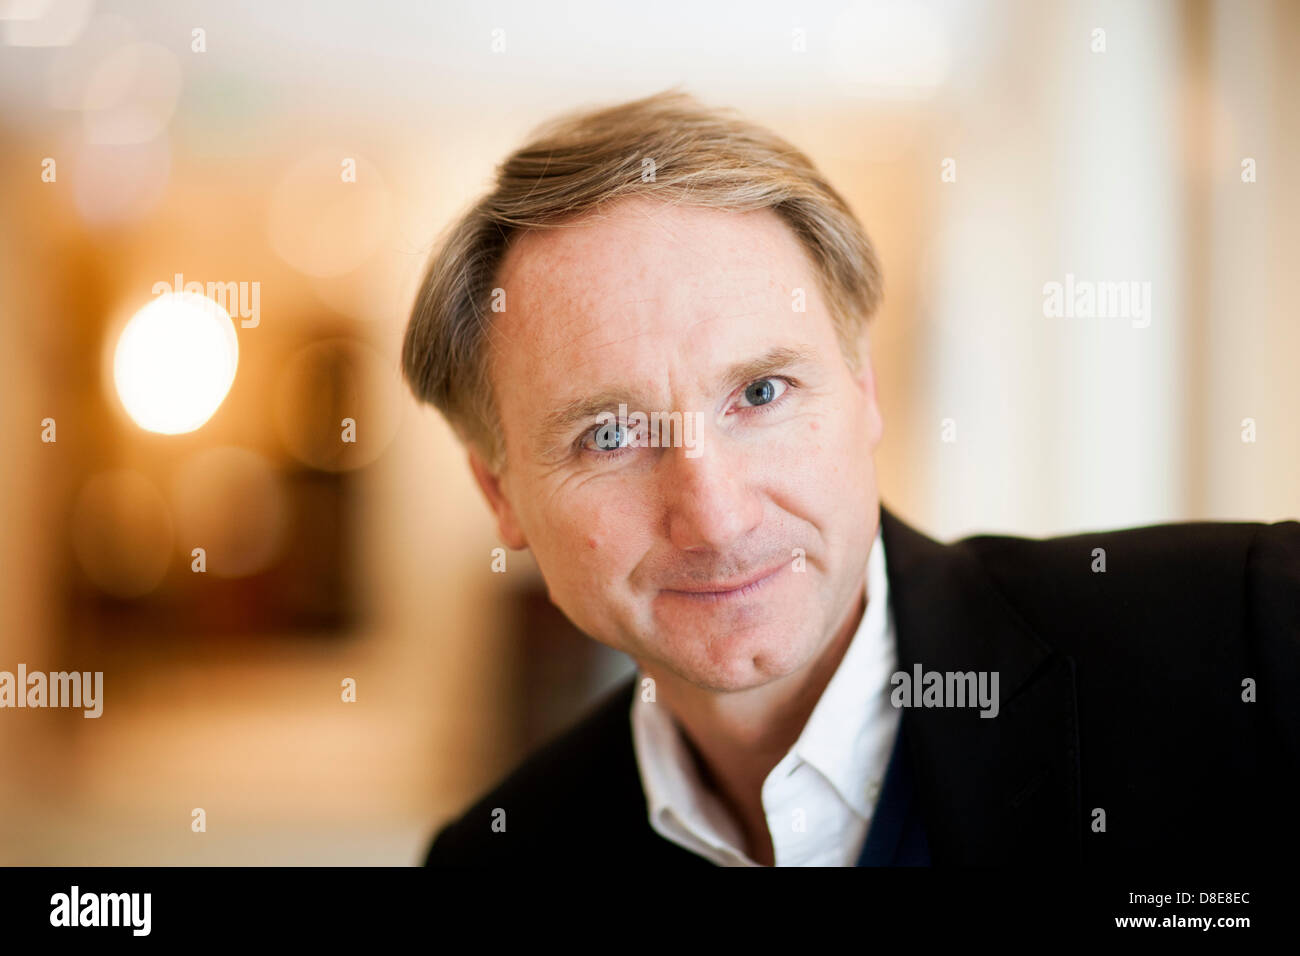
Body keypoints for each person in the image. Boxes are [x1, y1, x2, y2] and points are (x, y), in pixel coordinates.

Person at [401, 89, 1299, 867]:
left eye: (760, 391)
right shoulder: (497, 856)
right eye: (608, 434)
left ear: (863, 392)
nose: (714, 518)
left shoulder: (1250, 641)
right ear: (501, 497)